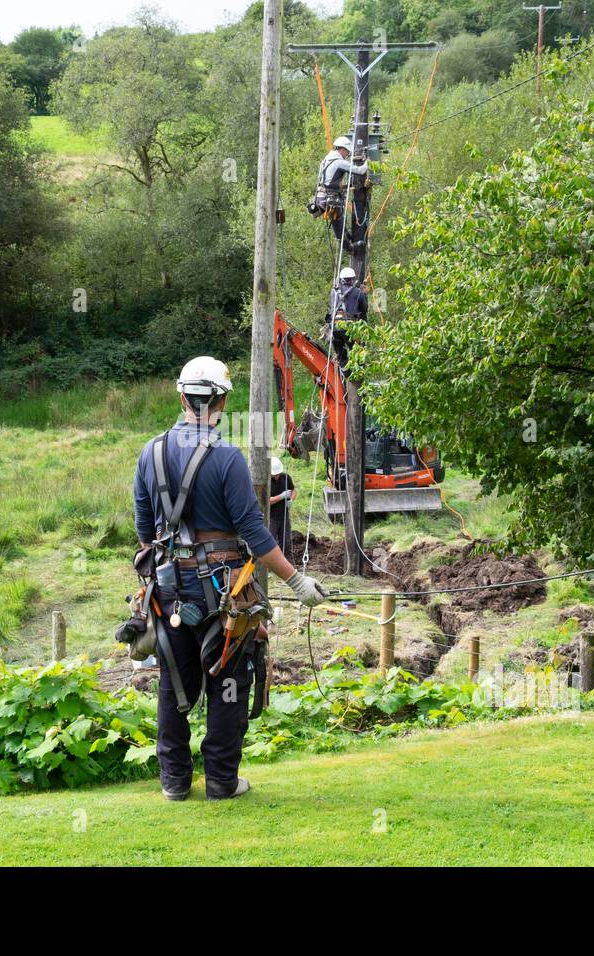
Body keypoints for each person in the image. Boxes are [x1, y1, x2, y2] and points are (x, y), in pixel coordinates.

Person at [134, 356, 328, 801]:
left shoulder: (150, 453)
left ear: (182, 397)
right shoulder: (227, 458)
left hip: (167, 589)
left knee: (174, 681)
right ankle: (221, 781)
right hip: (225, 593)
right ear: (220, 401)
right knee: (227, 679)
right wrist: (297, 582)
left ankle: (175, 783)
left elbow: (146, 534)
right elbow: (255, 534)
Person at [314, 134, 368, 252]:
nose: (347, 155)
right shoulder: (339, 162)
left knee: (339, 221)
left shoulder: (325, 160)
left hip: (320, 198)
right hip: (330, 199)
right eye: (347, 152)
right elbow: (360, 170)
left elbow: (328, 181)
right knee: (338, 221)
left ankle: (348, 237)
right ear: (342, 149)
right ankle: (350, 248)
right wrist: (369, 161)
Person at [327, 266, 368, 367]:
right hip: (349, 328)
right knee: (357, 354)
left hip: (334, 328)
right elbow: (364, 310)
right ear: (353, 279)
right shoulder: (358, 292)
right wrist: (364, 295)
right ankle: (356, 373)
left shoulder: (333, 292)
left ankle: (345, 373)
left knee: (341, 357)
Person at [268, 456, 296, 562]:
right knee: (271, 541)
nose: (277, 476)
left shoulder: (285, 477)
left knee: (286, 540)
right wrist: (282, 496)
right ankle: (271, 563)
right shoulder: (266, 481)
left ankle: (284, 562)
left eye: (278, 474)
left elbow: (293, 490)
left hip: (284, 515)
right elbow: (267, 501)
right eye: (275, 475)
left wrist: (291, 500)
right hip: (271, 517)